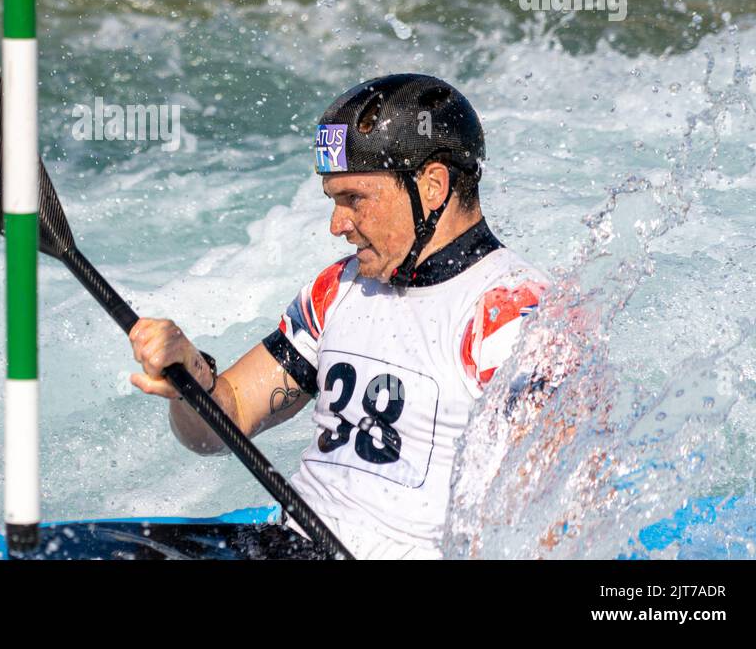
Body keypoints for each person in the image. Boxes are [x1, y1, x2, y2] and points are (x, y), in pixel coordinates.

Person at [129, 74, 550, 559]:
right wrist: (193, 377)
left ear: (432, 185)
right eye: (333, 200)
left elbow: (561, 502)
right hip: (284, 544)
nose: (337, 225)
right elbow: (225, 422)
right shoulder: (339, 289)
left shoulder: (509, 314)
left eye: (354, 199)